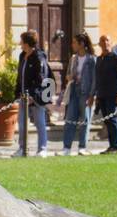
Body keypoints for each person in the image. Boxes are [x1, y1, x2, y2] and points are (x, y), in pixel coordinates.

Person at [12, 29, 53, 158]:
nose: (20, 44)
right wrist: (17, 93)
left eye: (22, 42)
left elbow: (40, 78)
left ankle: (42, 149)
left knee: (39, 122)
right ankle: (22, 149)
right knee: (22, 123)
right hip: (23, 96)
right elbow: (20, 76)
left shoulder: (39, 57)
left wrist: (33, 95)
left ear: (27, 43)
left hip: (36, 97)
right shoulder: (21, 56)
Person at [61, 32, 96, 156]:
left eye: (75, 42)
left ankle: (82, 147)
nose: (72, 45)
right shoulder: (73, 58)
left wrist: (92, 95)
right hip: (74, 92)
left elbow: (94, 79)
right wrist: (70, 77)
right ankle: (66, 147)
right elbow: (67, 75)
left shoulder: (91, 59)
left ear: (81, 44)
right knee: (70, 119)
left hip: (85, 93)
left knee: (85, 120)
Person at [95, 35, 117, 155]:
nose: (105, 42)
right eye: (102, 40)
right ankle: (111, 146)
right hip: (101, 94)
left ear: (111, 43)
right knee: (107, 121)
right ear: (99, 44)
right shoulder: (99, 59)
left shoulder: (115, 58)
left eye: (107, 40)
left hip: (112, 94)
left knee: (112, 120)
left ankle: (116, 146)